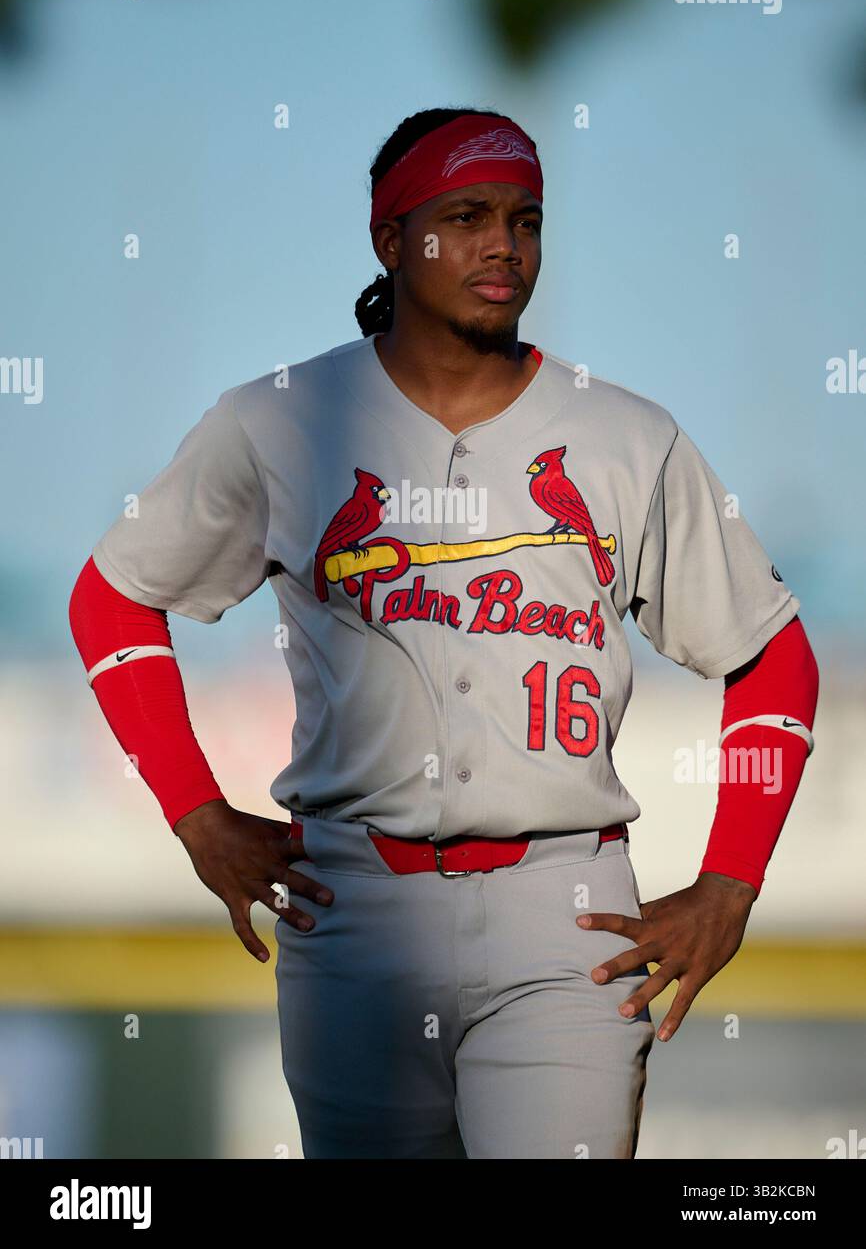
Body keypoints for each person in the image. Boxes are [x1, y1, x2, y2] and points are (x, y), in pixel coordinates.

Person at [69, 106, 819, 1159]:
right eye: (463, 216)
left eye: (523, 218)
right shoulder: (282, 419)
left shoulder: (623, 435)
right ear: (390, 237)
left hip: (566, 910)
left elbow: (769, 653)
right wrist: (196, 813)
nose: (501, 244)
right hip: (356, 906)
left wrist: (729, 880)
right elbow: (111, 594)